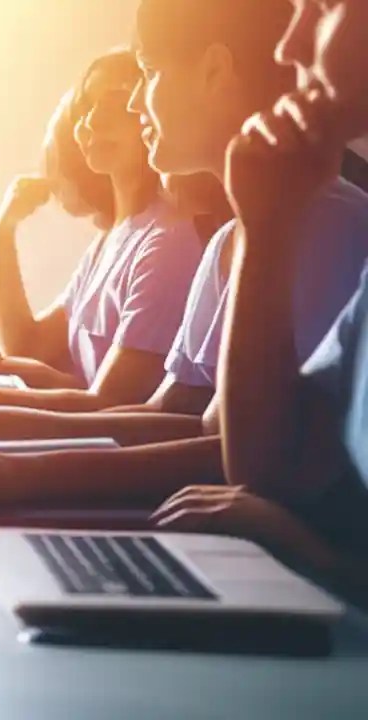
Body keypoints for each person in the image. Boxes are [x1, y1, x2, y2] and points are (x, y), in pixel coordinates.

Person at [0, 0, 368, 512]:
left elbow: (250, 460)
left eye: (149, 72)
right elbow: (177, 416)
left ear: (214, 71)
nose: (290, 47)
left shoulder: (327, 225)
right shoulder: (235, 235)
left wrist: (10, 463)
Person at [155, 0, 368, 595]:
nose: (288, 46)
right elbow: (268, 467)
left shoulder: (337, 220)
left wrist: (318, 558)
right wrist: (265, 227)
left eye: (322, 8)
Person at [0, 50, 204, 416]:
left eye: (114, 101)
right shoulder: (109, 241)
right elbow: (30, 348)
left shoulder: (166, 244)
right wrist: (4, 229)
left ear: (146, 109)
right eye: (87, 105)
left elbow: (110, 404)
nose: (92, 120)